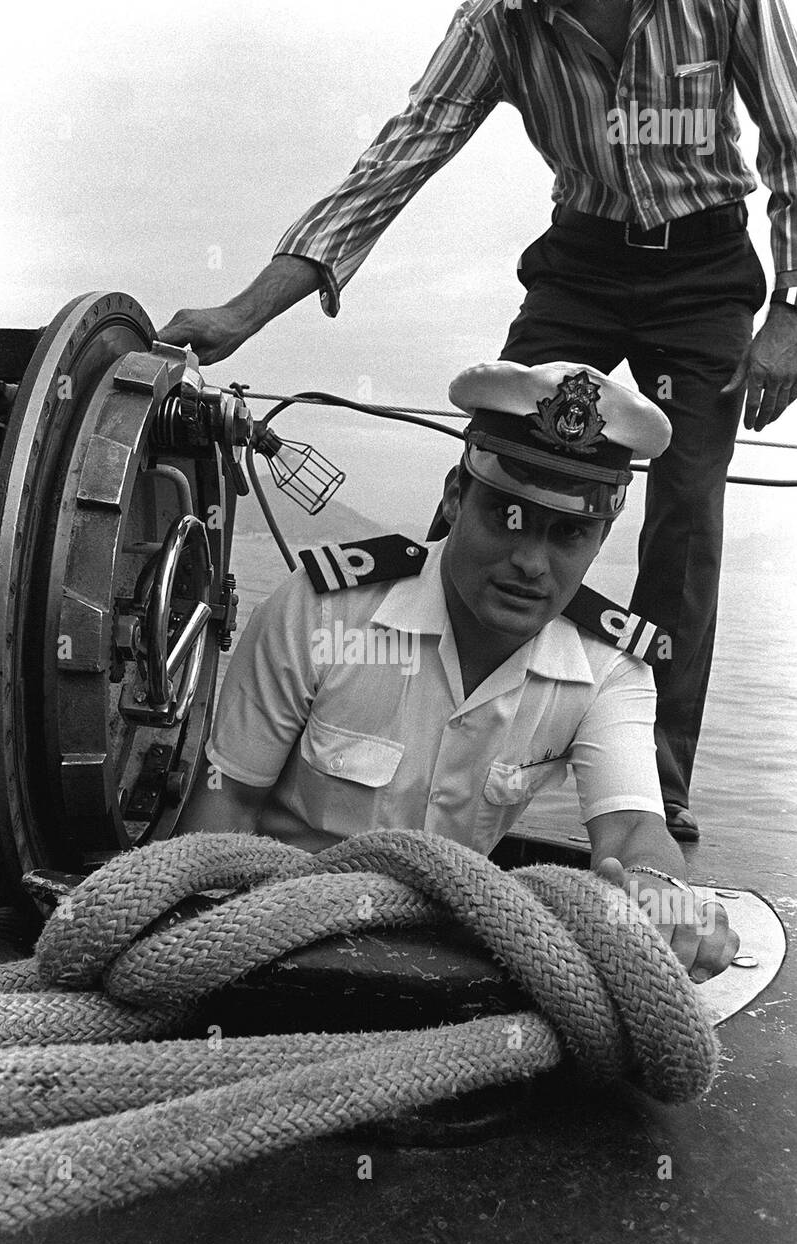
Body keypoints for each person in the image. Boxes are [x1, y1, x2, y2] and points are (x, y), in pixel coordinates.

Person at [159, 0, 797, 842]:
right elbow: (396, 160)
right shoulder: (499, 20)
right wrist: (246, 312)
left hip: (706, 265)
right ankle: (384, 723)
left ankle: (659, 788)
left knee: (686, 508)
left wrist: (789, 310)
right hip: (583, 258)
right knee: (490, 467)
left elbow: (792, 135)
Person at [177, 360, 738, 983]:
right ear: (454, 496)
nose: (530, 562)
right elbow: (225, 806)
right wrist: (207, 961)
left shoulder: (607, 667)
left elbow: (633, 825)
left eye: (569, 533)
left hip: (435, 957)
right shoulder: (322, 614)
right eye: (508, 516)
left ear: (601, 540)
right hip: (270, 940)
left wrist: (659, 896)